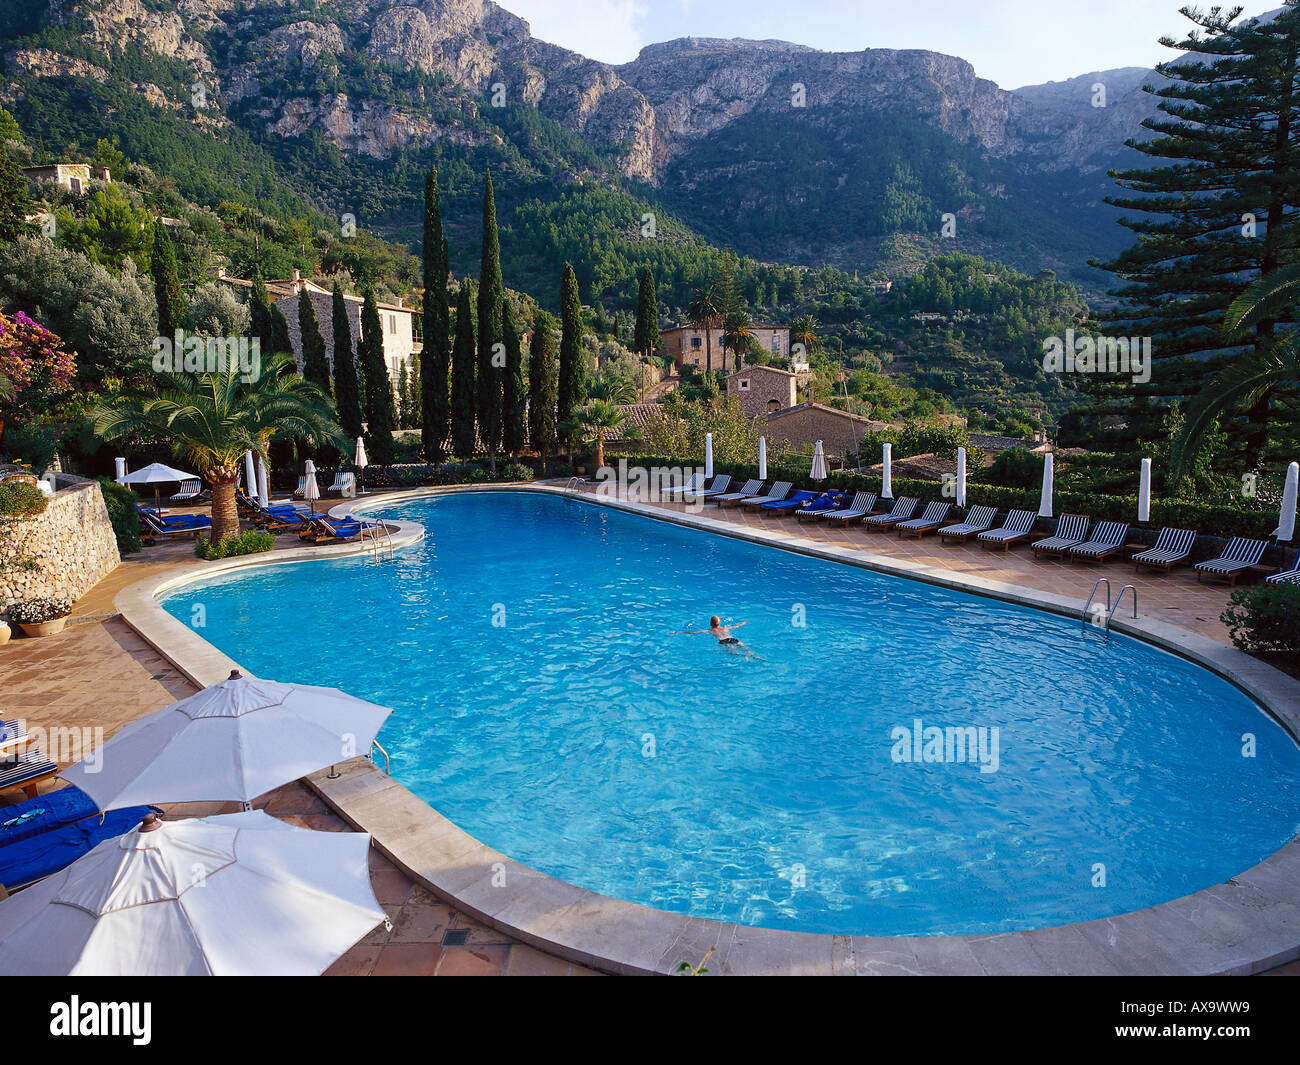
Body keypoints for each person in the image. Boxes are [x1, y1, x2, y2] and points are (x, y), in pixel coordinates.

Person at [675, 616, 761, 660]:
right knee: (745, 648)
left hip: (723, 641)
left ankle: (743, 657)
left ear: (710, 624)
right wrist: (743, 623)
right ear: (720, 624)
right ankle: (753, 655)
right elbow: (736, 626)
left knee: (734, 653)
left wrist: (679, 632)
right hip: (732, 639)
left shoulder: (711, 631)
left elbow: (695, 632)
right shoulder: (725, 628)